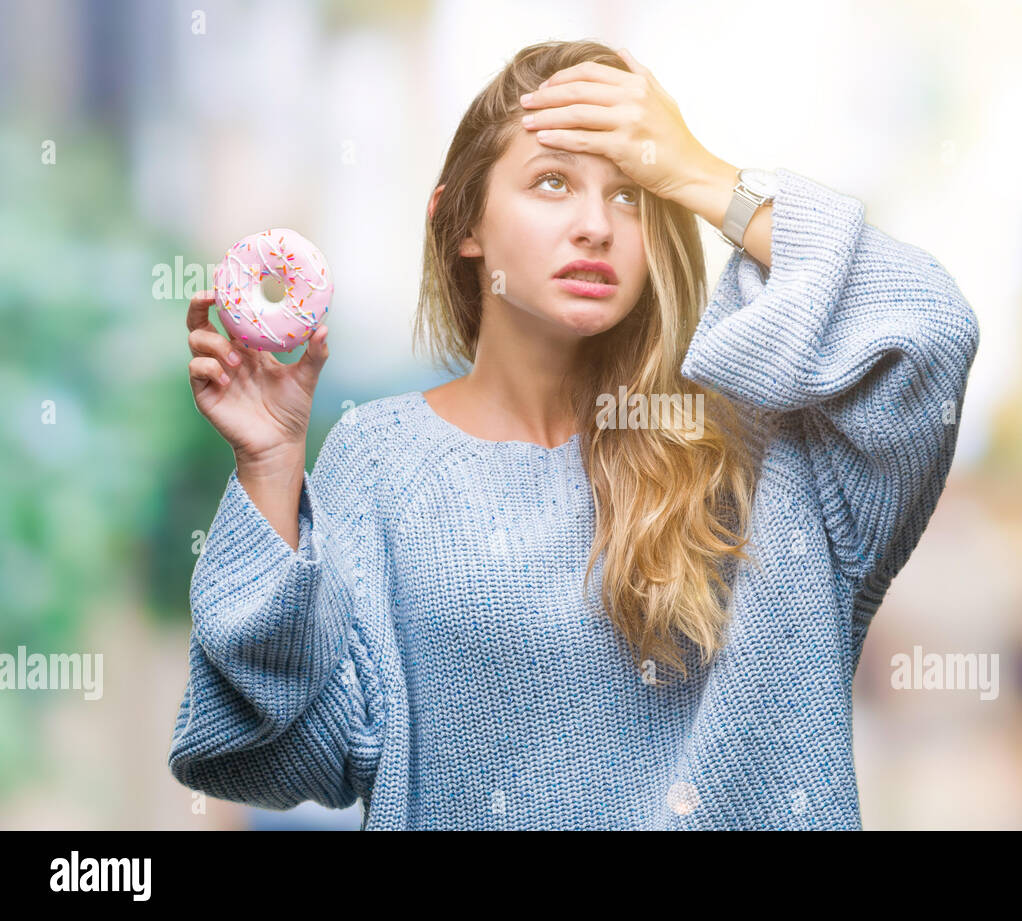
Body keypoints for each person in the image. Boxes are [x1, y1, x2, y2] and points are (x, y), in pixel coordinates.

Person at [169, 39, 980, 830]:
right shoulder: (382, 462)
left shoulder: (754, 445)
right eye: (552, 183)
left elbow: (929, 327)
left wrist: (699, 173)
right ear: (462, 225)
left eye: (630, 193)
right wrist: (271, 463)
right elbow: (274, 756)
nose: (596, 225)